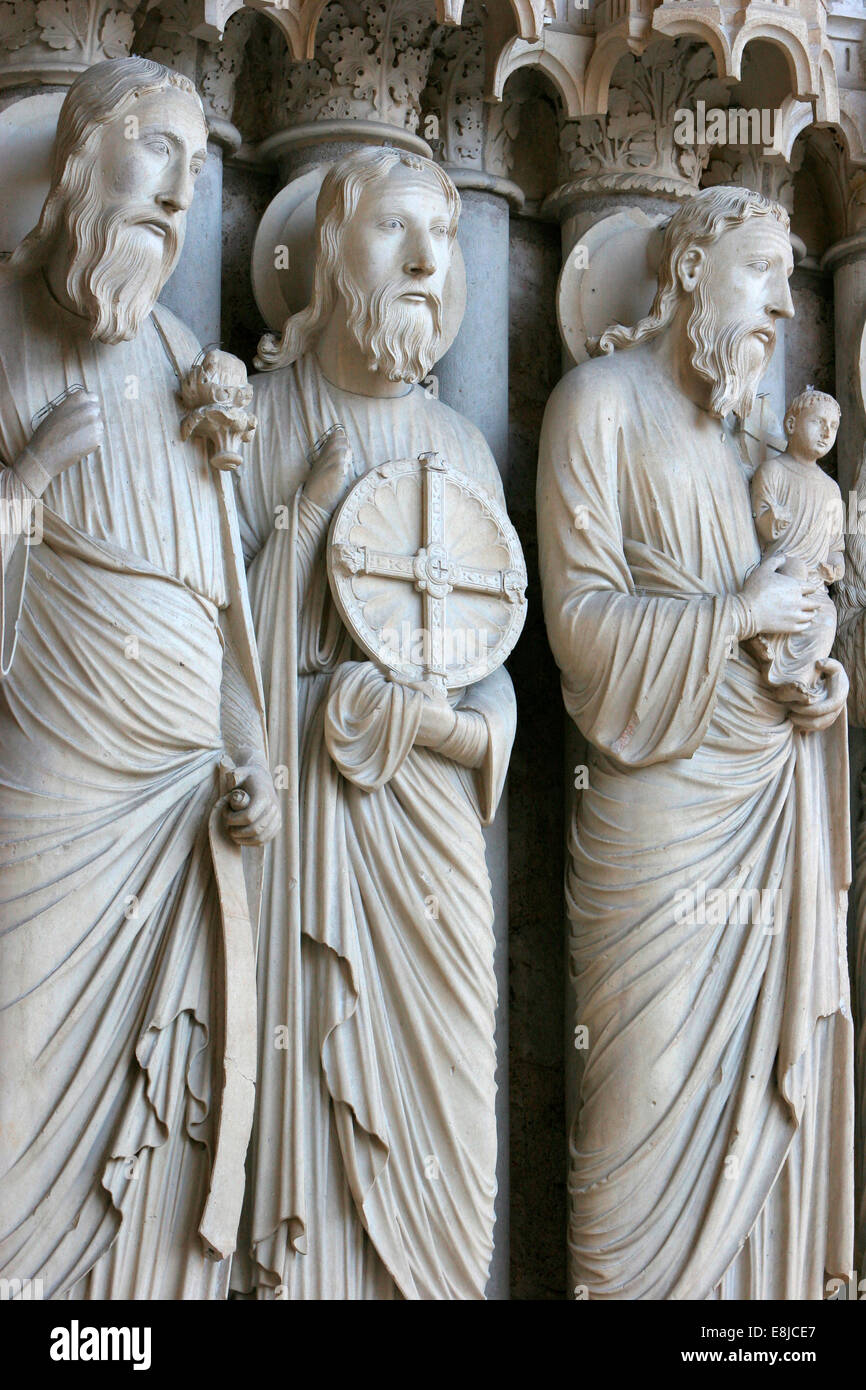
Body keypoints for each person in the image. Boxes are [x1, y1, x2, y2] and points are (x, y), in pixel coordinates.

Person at [538, 186, 853, 1299]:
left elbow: (797, 606)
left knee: (762, 1091)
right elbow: (575, 630)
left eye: (787, 281)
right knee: (636, 1089)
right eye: (759, 272)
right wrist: (733, 615)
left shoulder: (758, 456)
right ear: (683, 274)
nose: (779, 302)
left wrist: (818, 676)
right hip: (653, 808)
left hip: (765, 797)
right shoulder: (597, 404)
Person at [0, 57, 277, 1301]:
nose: (179, 194)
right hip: (53, 772)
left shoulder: (181, 359)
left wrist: (253, 756)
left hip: (182, 796)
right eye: (157, 152)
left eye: (198, 169)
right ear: (79, 158)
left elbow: (214, 608)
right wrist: (23, 489)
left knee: (159, 1117)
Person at [233, 147, 516, 1299]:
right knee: (302, 1070)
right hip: (303, 827)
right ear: (321, 255)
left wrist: (439, 730)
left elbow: (494, 665)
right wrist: (299, 524)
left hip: (433, 843)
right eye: (392, 233)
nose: (421, 262)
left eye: (441, 241)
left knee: (446, 1097)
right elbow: (213, 654)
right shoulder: (256, 423)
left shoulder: (458, 449)